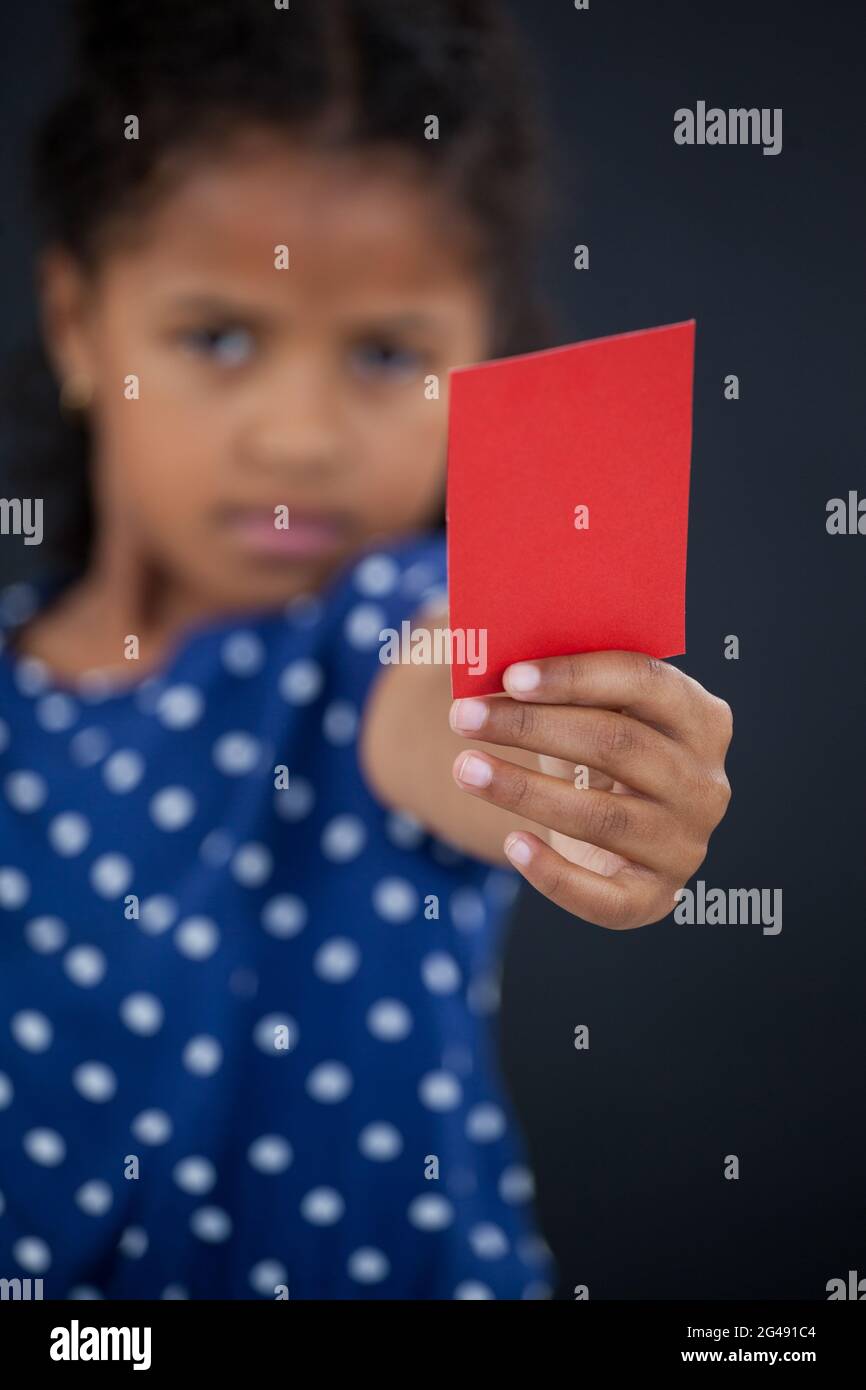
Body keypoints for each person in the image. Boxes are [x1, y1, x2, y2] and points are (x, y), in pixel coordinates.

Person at [0, 0, 732, 1299]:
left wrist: (578, 765)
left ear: (487, 363)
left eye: (387, 354)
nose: (298, 438)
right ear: (75, 323)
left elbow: (451, 703)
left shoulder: (396, 615)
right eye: (217, 337)